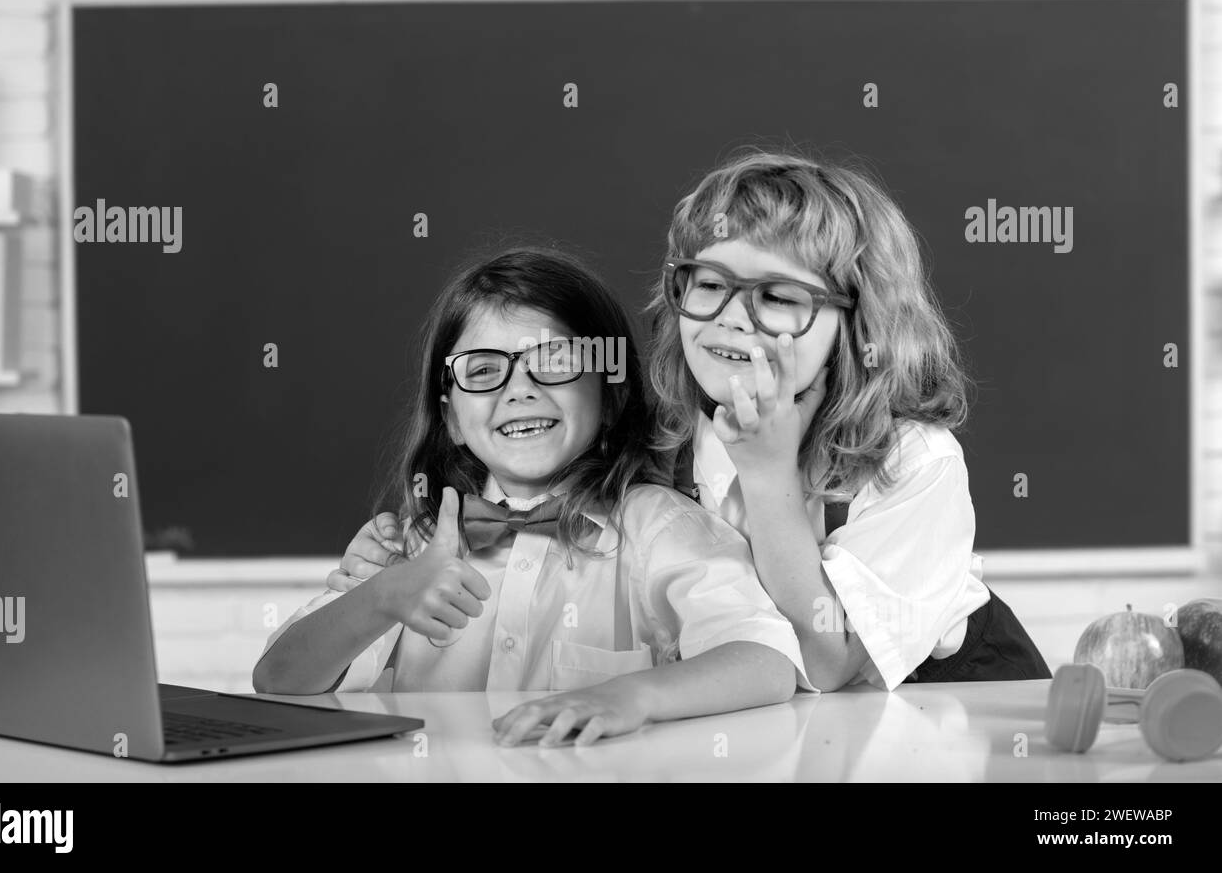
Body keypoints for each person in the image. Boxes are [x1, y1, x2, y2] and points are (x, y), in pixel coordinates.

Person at [338, 148, 1051, 692]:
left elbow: (830, 661)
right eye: (710, 283)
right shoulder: (671, 443)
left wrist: (769, 475)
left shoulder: (914, 462)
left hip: (948, 719)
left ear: (857, 316)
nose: (734, 317)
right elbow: (543, 509)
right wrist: (396, 553)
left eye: (777, 294)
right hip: (783, 732)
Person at [253, 247, 811, 747]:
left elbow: (765, 659)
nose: (519, 389)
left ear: (611, 397)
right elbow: (280, 679)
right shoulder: (417, 543)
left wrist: (629, 697)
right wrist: (381, 596)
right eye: (484, 370)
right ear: (450, 418)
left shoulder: (659, 529)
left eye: (556, 361)